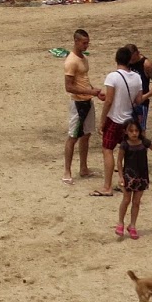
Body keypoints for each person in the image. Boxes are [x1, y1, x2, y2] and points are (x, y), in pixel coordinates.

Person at [95, 47, 144, 197]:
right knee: (127, 152)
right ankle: (125, 182)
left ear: (116, 59)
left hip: (114, 118)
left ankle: (107, 186)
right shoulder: (137, 77)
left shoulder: (113, 77)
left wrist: (102, 120)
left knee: (108, 150)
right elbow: (138, 100)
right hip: (129, 120)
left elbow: (109, 100)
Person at [114, 118, 152, 240]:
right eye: (131, 131)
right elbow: (119, 161)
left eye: (136, 130)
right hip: (128, 176)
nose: (134, 133)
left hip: (142, 176)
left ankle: (133, 225)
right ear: (126, 132)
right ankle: (120, 223)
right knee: (126, 200)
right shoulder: (124, 145)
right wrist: (120, 176)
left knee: (136, 202)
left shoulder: (143, 142)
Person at [63, 29, 105, 185]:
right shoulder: (71, 61)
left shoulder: (83, 58)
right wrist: (90, 91)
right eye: (84, 42)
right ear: (76, 41)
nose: (87, 45)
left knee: (86, 135)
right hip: (77, 103)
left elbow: (83, 80)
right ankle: (67, 171)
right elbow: (69, 87)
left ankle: (83, 167)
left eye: (87, 42)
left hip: (88, 100)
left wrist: (95, 92)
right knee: (73, 137)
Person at [126, 44, 152, 132]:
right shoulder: (125, 61)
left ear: (137, 53)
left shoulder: (146, 64)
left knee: (139, 130)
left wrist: (145, 96)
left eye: (133, 58)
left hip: (141, 102)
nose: (131, 61)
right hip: (127, 100)